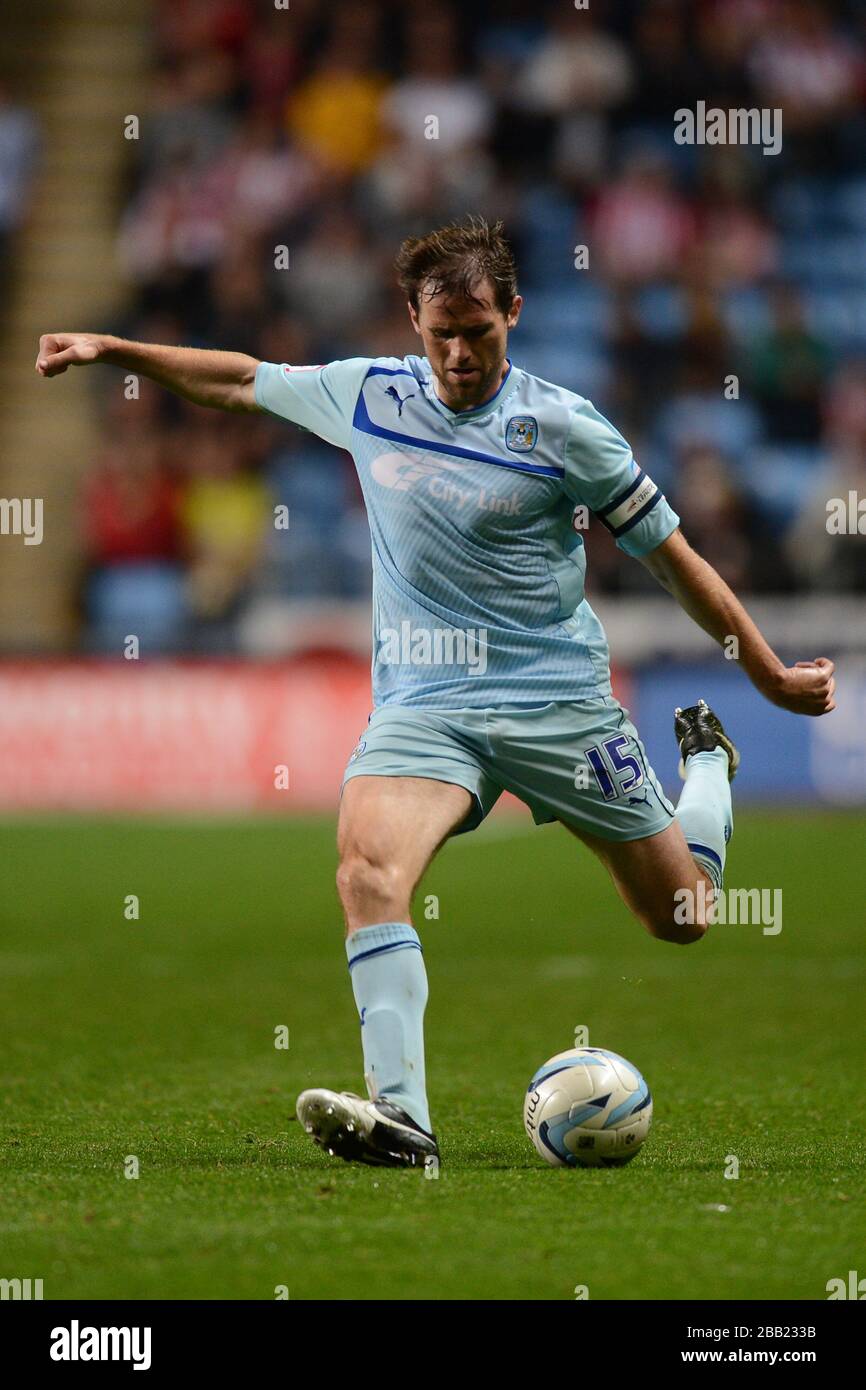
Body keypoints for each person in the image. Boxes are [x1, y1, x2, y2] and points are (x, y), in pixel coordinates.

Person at [36, 218, 835, 1171]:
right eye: (440, 332)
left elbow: (673, 559)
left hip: (559, 707)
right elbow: (240, 380)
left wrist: (765, 671)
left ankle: (705, 764)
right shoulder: (369, 395)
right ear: (412, 321)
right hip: (425, 709)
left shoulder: (567, 427)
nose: (459, 354)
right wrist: (114, 347)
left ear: (514, 314)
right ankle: (405, 1121)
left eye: (480, 331)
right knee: (367, 874)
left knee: (685, 918)